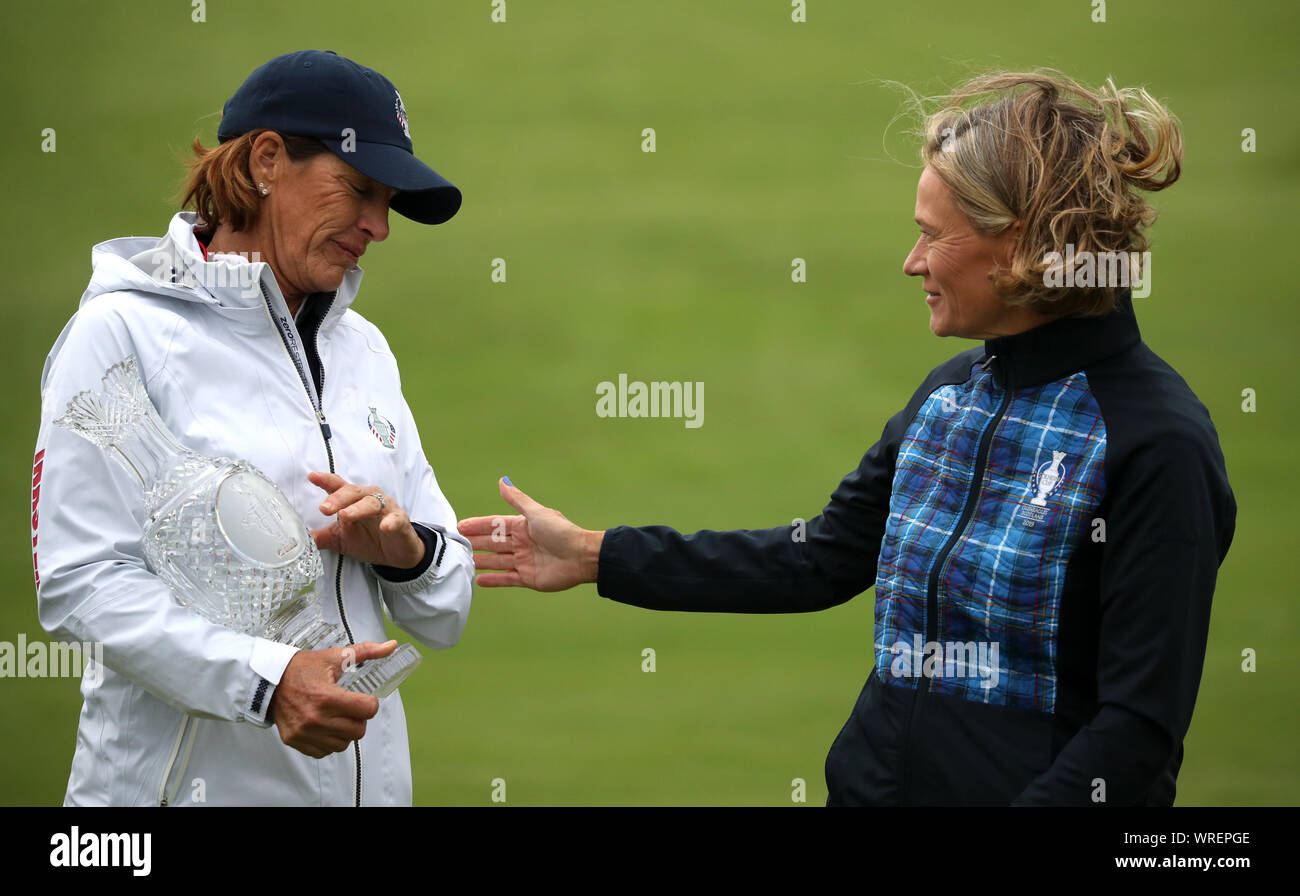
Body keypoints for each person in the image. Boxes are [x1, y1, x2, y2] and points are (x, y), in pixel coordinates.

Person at [458, 71, 1237, 806]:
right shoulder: (949, 397)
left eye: (935, 236)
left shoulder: (1155, 444)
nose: (911, 263)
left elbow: (1137, 733)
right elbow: (821, 558)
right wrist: (597, 554)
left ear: (1022, 242)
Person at [33, 50, 474, 806]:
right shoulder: (121, 333)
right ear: (267, 160)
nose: (379, 226)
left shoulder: (362, 349)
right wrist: (267, 685)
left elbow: (446, 606)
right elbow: (82, 584)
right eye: (358, 189)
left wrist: (407, 551)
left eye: (388, 202)